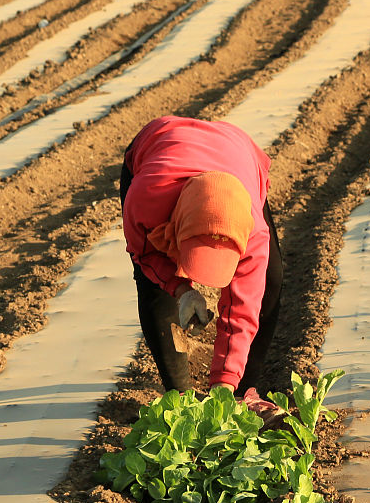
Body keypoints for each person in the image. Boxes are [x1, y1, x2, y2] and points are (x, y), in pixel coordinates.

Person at [120, 116, 283, 418]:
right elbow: (144, 254)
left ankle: (241, 392)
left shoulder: (254, 232)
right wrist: (180, 289)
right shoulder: (145, 199)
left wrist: (224, 385)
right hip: (160, 143)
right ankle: (179, 397)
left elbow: (243, 309)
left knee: (269, 283)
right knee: (153, 288)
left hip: (238, 156)